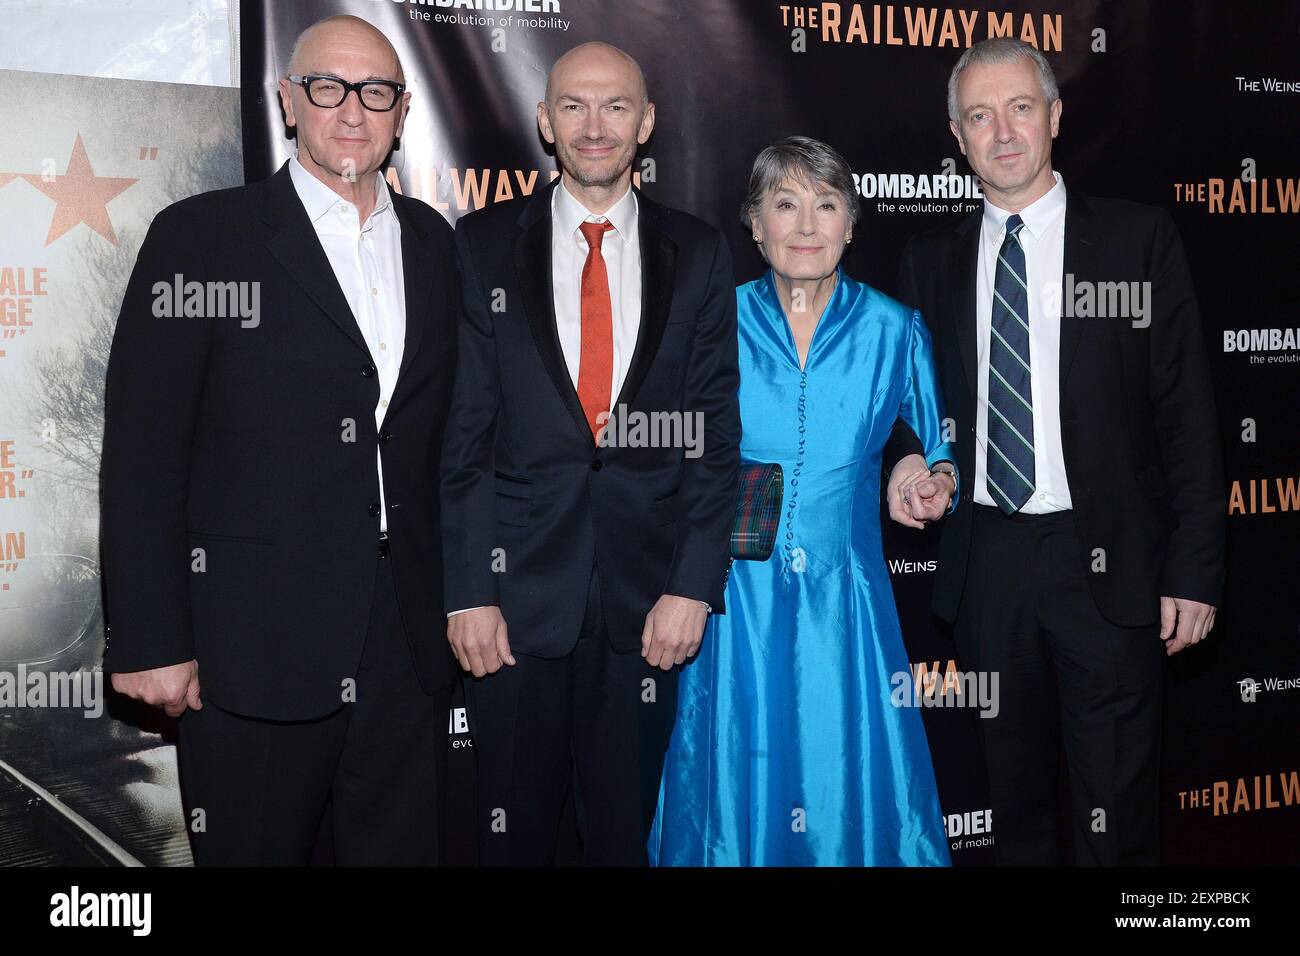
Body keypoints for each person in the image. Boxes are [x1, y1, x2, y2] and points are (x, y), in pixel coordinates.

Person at [102, 15, 459, 865]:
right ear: (287, 102)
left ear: (402, 113)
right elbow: (146, 454)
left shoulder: (436, 247)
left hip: (404, 640)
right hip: (248, 643)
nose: (350, 111)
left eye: (375, 92)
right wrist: (152, 640)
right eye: (326, 87)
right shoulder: (201, 238)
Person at [886, 37, 1225, 865]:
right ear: (958, 137)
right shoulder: (928, 264)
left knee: (1118, 817)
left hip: (1109, 568)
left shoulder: (1136, 242)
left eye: (1021, 108)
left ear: (1056, 117)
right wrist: (905, 460)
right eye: (979, 115)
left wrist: (1194, 570)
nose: (1002, 132)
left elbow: (1188, 415)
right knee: (1016, 811)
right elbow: (907, 407)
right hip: (990, 566)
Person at [440, 42, 741, 865]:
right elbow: (463, 437)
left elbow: (716, 438)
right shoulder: (482, 244)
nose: (594, 125)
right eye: (573, 105)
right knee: (514, 844)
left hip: (647, 612)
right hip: (510, 607)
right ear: (544, 121)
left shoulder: (700, 251)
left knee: (622, 842)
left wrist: (693, 586)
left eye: (615, 107)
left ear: (647, 123)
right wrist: (467, 591)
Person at [650, 137, 956, 866]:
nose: (808, 224)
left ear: (852, 224)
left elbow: (935, 444)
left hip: (847, 604)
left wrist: (924, 475)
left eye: (827, 205)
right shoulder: (710, 320)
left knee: (843, 773)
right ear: (754, 226)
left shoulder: (895, 328)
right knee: (739, 773)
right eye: (785, 205)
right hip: (732, 603)